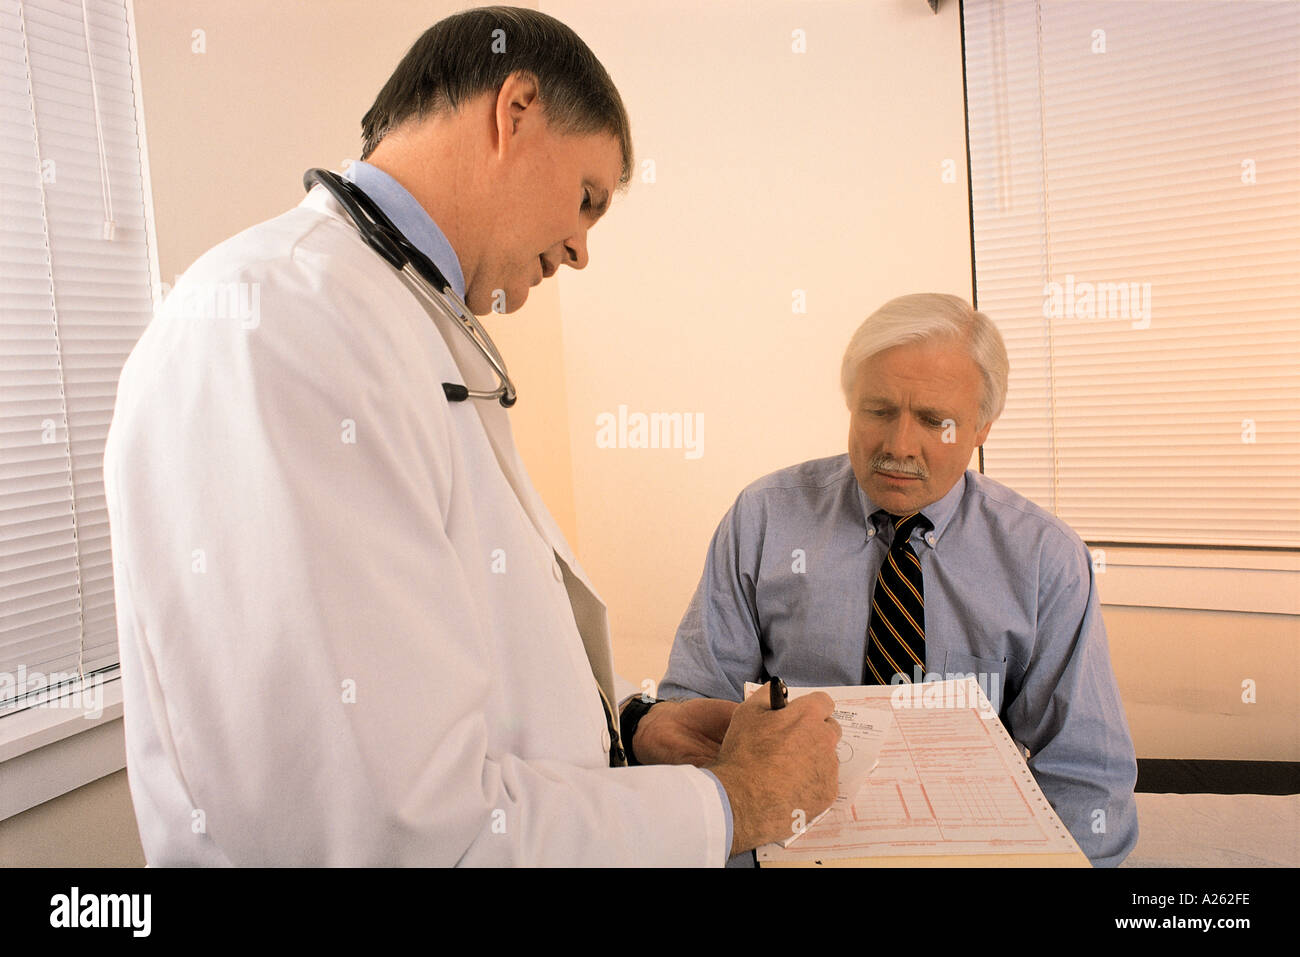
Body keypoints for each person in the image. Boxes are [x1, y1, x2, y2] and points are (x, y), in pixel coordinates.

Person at [103, 6, 839, 866]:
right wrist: (730, 804)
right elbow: (403, 830)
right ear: (515, 110)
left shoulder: (399, 315)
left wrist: (629, 732)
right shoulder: (275, 322)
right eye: (587, 200)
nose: (580, 248)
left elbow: (454, 672)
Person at [650, 293, 1140, 866]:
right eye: (878, 410)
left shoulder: (1044, 558)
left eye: (935, 421)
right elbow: (692, 708)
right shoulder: (764, 517)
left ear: (983, 426)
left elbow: (1084, 776)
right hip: (791, 838)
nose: (897, 447)